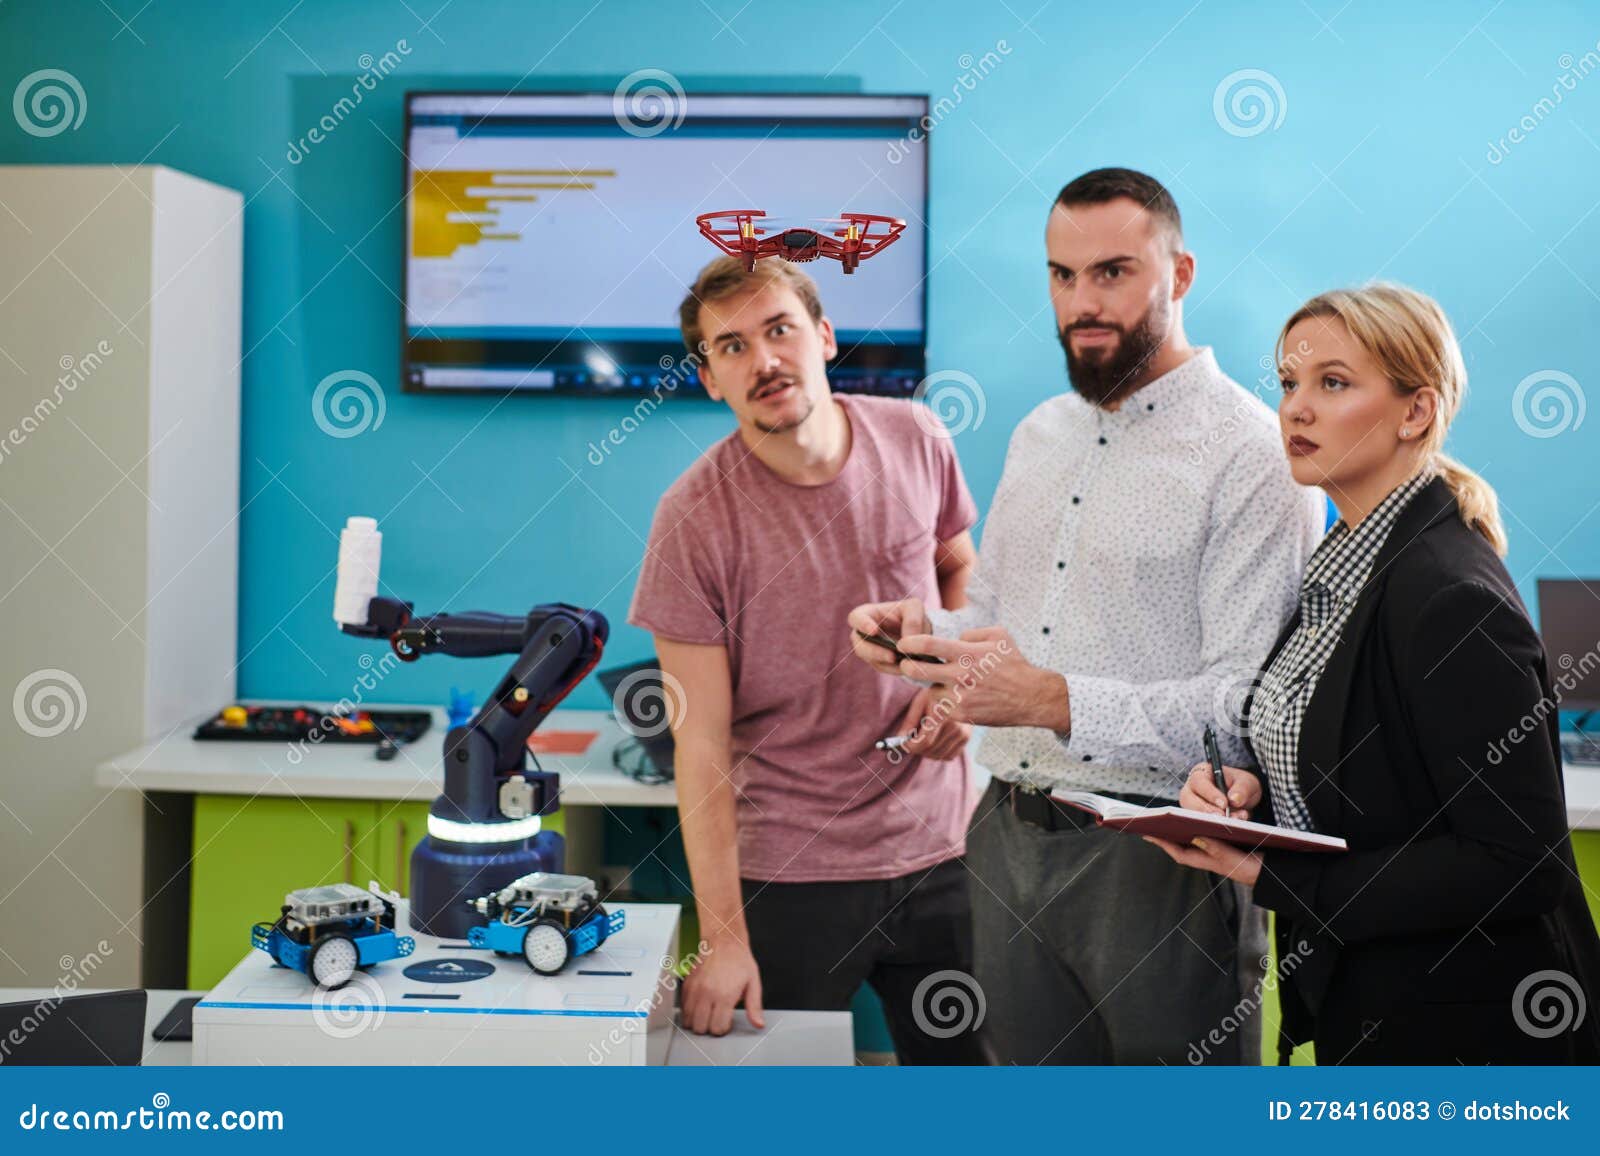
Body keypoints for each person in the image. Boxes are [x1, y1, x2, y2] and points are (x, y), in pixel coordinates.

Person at [848, 168, 1325, 1063]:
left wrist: (1052, 700)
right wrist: (920, 636)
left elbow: (1246, 711)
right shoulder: (1038, 434)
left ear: (1179, 275)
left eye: (1112, 272)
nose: (1082, 301)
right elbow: (993, 619)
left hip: (1163, 854)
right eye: (1062, 276)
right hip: (1003, 840)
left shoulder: (1253, 453)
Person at [1148, 282, 1600, 1064]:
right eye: (1289, 384)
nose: (1296, 409)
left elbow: (1518, 864)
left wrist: (1272, 871)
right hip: (1377, 1002)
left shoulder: (1448, 597)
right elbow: (1362, 763)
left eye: (1333, 383)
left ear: (1415, 411)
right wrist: (1255, 792)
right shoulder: (1343, 568)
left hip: (1476, 1033)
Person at [628, 255, 992, 1062]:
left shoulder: (917, 435)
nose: (763, 361)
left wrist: (951, 690)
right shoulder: (692, 519)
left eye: (779, 329)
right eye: (731, 347)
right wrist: (722, 939)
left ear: (823, 337)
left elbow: (960, 570)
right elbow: (699, 746)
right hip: (790, 871)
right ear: (710, 379)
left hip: (947, 846)